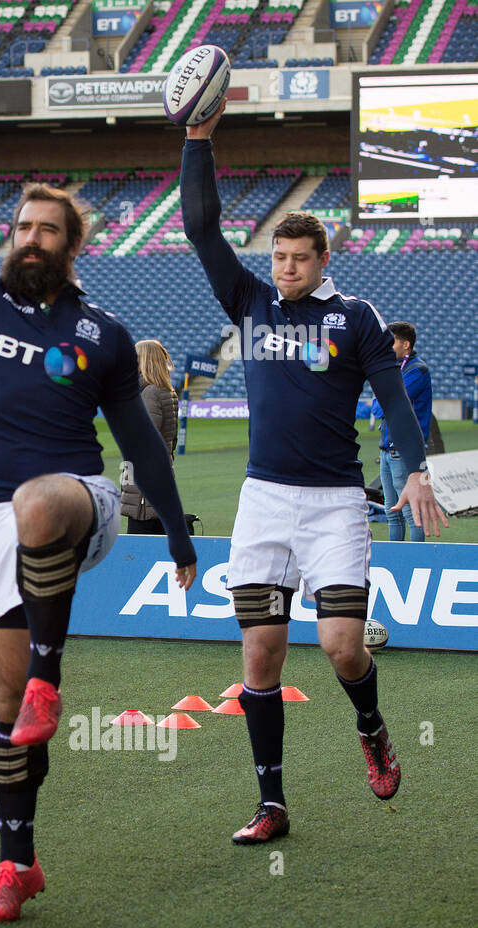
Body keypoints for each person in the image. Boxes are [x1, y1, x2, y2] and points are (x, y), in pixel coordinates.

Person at [0, 90, 197, 922]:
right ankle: (16, 863)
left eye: (48, 230)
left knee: (38, 503)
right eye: (23, 228)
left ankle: (51, 680)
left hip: (79, 502)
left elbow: (139, 444)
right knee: (5, 707)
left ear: (70, 246)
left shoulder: (100, 331)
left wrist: (175, 532)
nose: (32, 239)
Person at [180, 102, 447, 846]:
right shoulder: (251, 301)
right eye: (278, 257)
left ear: (322, 261)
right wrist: (198, 140)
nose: (285, 268)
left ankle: (371, 725)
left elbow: (392, 397)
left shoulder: (355, 316)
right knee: (259, 654)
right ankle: (272, 804)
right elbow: (202, 229)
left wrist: (417, 470)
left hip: (333, 504)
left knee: (339, 645)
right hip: (263, 500)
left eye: (298, 258)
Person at [370, 321, 431, 542]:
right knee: (391, 510)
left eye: (392, 342)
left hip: (402, 451)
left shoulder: (417, 371)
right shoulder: (398, 369)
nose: (387, 346)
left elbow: (382, 406)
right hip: (387, 449)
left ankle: (416, 559)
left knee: (409, 510)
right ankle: (397, 559)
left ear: (405, 344)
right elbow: (380, 408)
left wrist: (381, 400)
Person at [120, 339, 179, 535]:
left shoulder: (149, 393)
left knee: (137, 543)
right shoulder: (166, 391)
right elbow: (171, 439)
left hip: (144, 482)